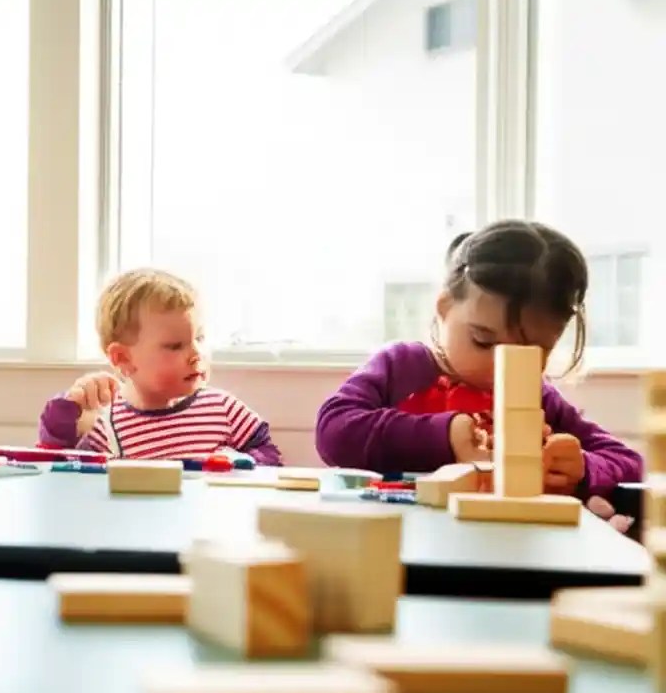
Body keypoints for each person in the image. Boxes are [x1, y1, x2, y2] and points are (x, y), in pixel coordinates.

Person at [316, 220, 641, 529]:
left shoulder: (537, 396)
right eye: (483, 340)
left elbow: (629, 462)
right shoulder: (403, 367)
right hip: (396, 540)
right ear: (444, 308)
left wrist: (582, 469)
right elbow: (333, 431)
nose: (499, 365)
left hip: (508, 549)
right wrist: (443, 437)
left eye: (529, 353)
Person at [38, 268, 282, 463]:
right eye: (175, 346)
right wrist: (65, 415)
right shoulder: (105, 424)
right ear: (123, 358)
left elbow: (270, 457)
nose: (196, 354)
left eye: (199, 338)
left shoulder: (223, 409)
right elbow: (54, 466)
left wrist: (238, 463)